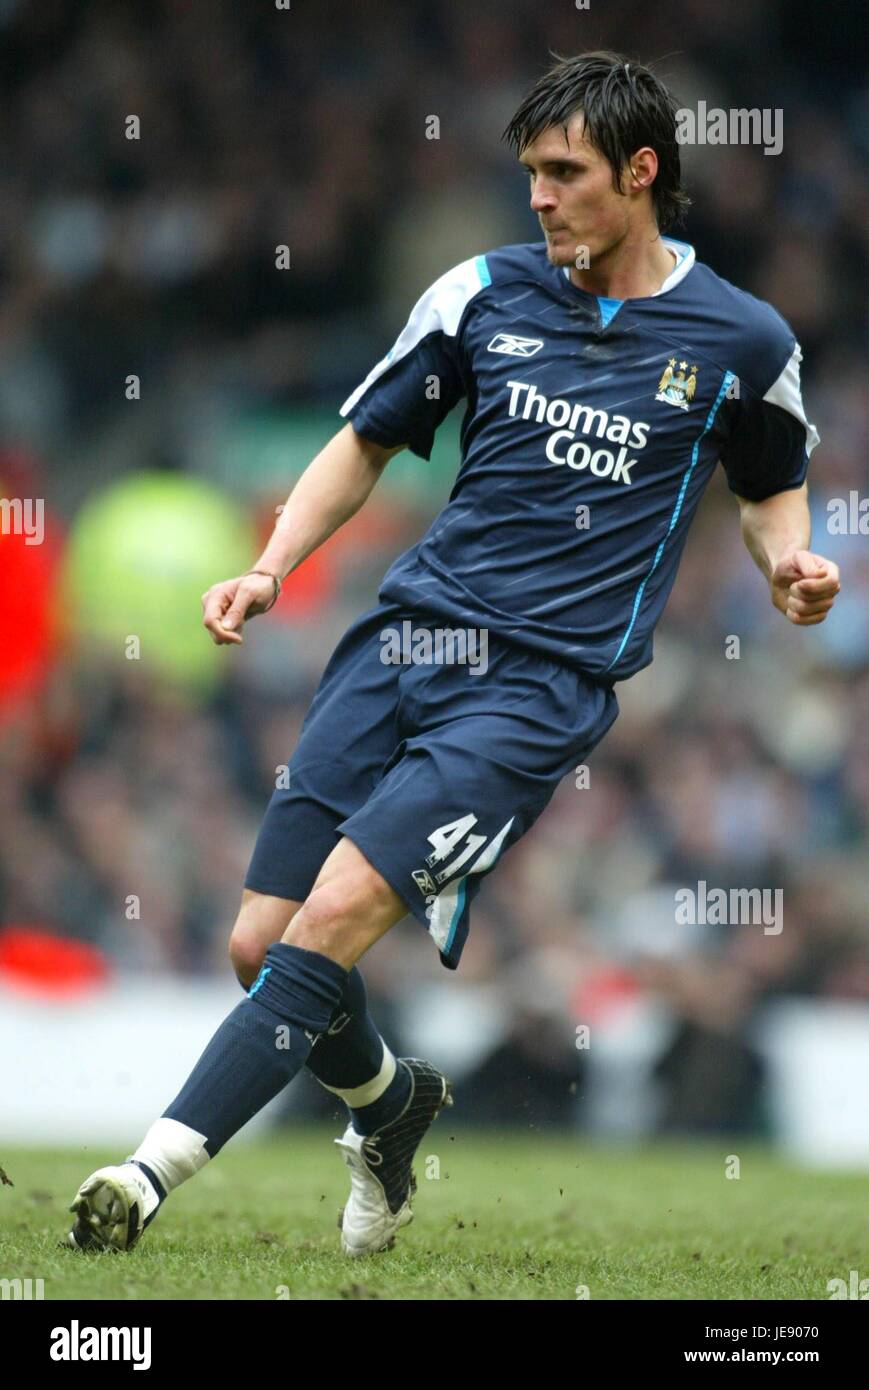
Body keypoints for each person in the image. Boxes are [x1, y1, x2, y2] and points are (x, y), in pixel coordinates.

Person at [67, 50, 839, 1257]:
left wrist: (787, 566)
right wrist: (270, 564)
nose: (537, 197)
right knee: (258, 945)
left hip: (538, 689)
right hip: (401, 643)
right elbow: (364, 442)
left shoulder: (741, 339)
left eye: (562, 173)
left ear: (639, 174)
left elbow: (768, 488)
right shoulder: (480, 292)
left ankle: (147, 1172)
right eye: (528, 172)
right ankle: (388, 1107)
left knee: (326, 925)